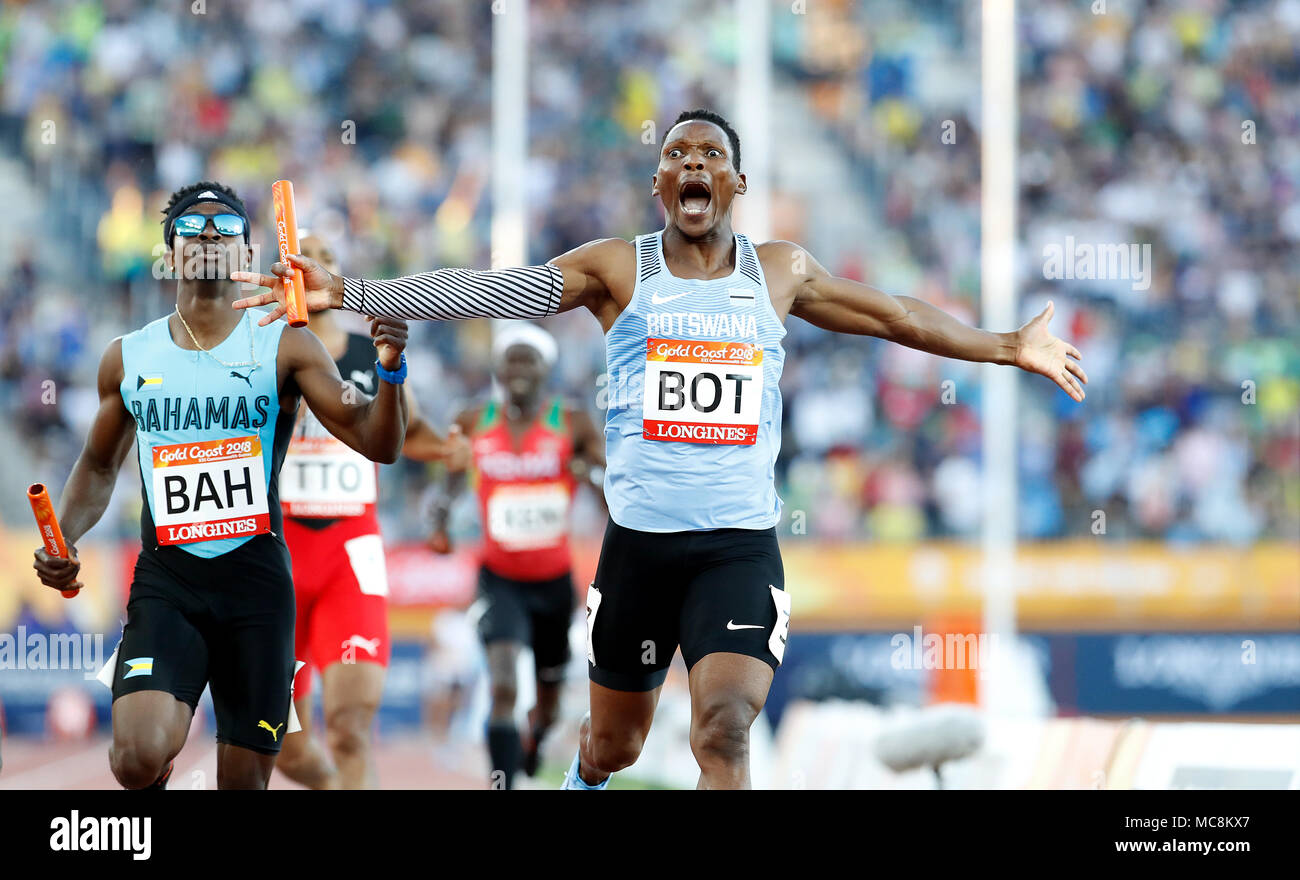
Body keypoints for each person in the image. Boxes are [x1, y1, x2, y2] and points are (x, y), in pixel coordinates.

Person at [233, 108, 1087, 790]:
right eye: (676, 154)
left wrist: (1008, 345)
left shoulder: (779, 271)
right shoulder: (619, 269)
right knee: (614, 749)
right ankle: (582, 780)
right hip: (639, 551)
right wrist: (358, 291)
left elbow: (895, 314)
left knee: (723, 728)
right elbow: (500, 287)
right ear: (658, 183)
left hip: (738, 549)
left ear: (737, 181)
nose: (692, 166)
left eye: (710, 155)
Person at [32, 181, 410, 790]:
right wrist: (65, 538)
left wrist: (390, 373)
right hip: (168, 580)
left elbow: (379, 442)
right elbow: (99, 468)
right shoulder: (128, 358)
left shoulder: (289, 345)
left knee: (245, 784)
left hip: (255, 584)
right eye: (191, 228)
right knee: (135, 758)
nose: (209, 236)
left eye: (227, 228)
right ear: (170, 253)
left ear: (246, 254)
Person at [273, 233, 453, 790]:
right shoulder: (258, 351)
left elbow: (413, 434)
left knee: (350, 726)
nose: (312, 267)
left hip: (351, 555)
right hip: (274, 559)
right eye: (302, 259)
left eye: (325, 258)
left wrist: (450, 450)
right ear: (283, 277)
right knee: (273, 739)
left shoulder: (368, 352)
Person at [428, 321, 605, 789]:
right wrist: (440, 523)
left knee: (547, 703)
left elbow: (613, 490)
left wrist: (587, 473)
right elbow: (448, 481)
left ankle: (537, 736)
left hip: (553, 582)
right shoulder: (472, 419)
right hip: (499, 578)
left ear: (547, 368)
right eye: (512, 360)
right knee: (503, 684)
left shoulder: (572, 421)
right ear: (499, 370)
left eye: (530, 360)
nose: (521, 369)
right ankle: (503, 782)